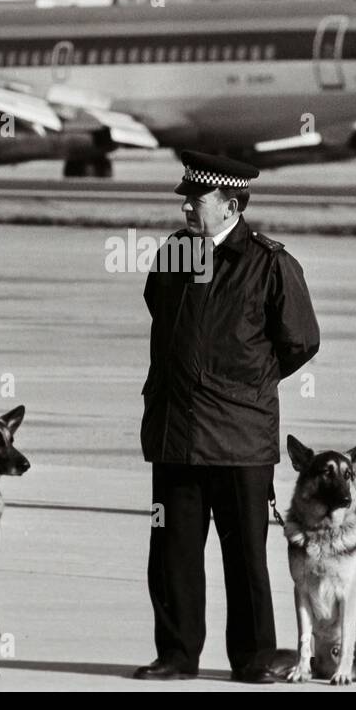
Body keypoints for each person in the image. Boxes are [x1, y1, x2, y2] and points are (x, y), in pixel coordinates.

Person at [136, 150, 321, 682]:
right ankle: (176, 654)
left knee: (245, 559)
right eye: (186, 199)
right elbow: (160, 310)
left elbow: (301, 341)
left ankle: (255, 657)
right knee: (172, 554)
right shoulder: (174, 254)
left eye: (197, 200)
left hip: (240, 437)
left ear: (230, 205)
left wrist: (247, 382)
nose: (187, 209)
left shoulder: (270, 263)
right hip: (176, 431)